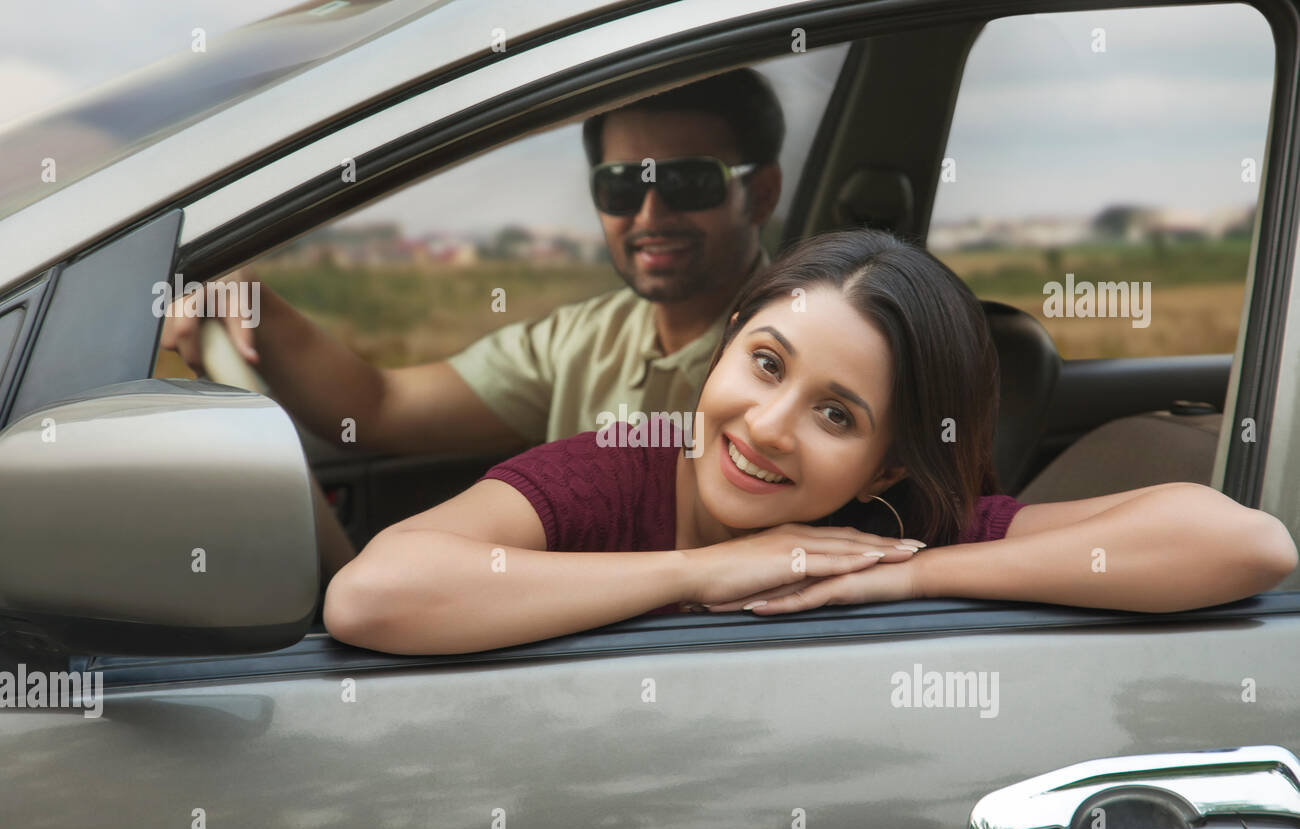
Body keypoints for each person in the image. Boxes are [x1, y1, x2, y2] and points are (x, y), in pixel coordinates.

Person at [321, 229, 1299, 655]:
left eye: (838, 414)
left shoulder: (890, 529)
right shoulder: (617, 463)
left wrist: (912, 578)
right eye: (765, 362)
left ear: (884, 466)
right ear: (720, 354)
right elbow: (375, 593)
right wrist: (694, 572)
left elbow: (1245, 544)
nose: (767, 425)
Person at [159, 69, 784, 455]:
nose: (649, 216)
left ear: (761, 194)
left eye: (687, 184)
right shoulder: (582, 339)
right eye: (620, 187)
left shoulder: (793, 354)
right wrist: (254, 304)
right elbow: (381, 408)